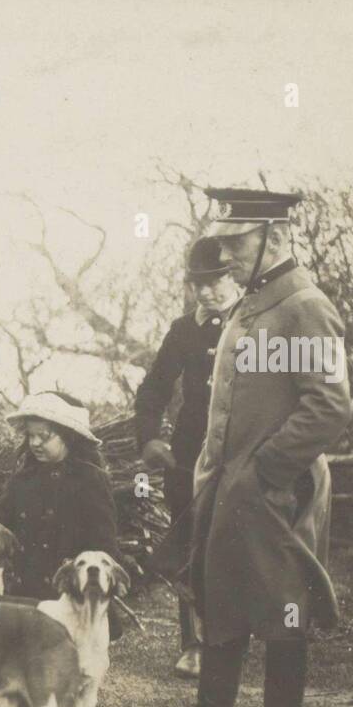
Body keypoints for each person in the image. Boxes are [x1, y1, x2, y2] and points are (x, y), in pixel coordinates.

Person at [184, 187, 352, 707]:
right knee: (221, 596)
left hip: (277, 491)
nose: (225, 255)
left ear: (274, 238)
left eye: (237, 242)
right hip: (230, 488)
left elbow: (329, 407)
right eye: (224, 241)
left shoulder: (303, 306)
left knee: (285, 611)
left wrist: (267, 474)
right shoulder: (251, 304)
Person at [135, 237, 239, 679]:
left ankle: (236, 638)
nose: (206, 292)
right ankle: (194, 642)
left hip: (241, 451)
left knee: (237, 542)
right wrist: (148, 439)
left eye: (216, 282)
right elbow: (154, 388)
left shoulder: (254, 323)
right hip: (189, 454)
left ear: (236, 278)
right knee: (189, 543)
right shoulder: (183, 330)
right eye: (198, 284)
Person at [0, 391, 119, 601]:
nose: (34, 443)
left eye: (43, 436)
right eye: (30, 435)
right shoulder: (22, 480)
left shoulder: (89, 479)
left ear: (68, 436)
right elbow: (3, 521)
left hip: (69, 595)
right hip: (24, 592)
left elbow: (104, 543)